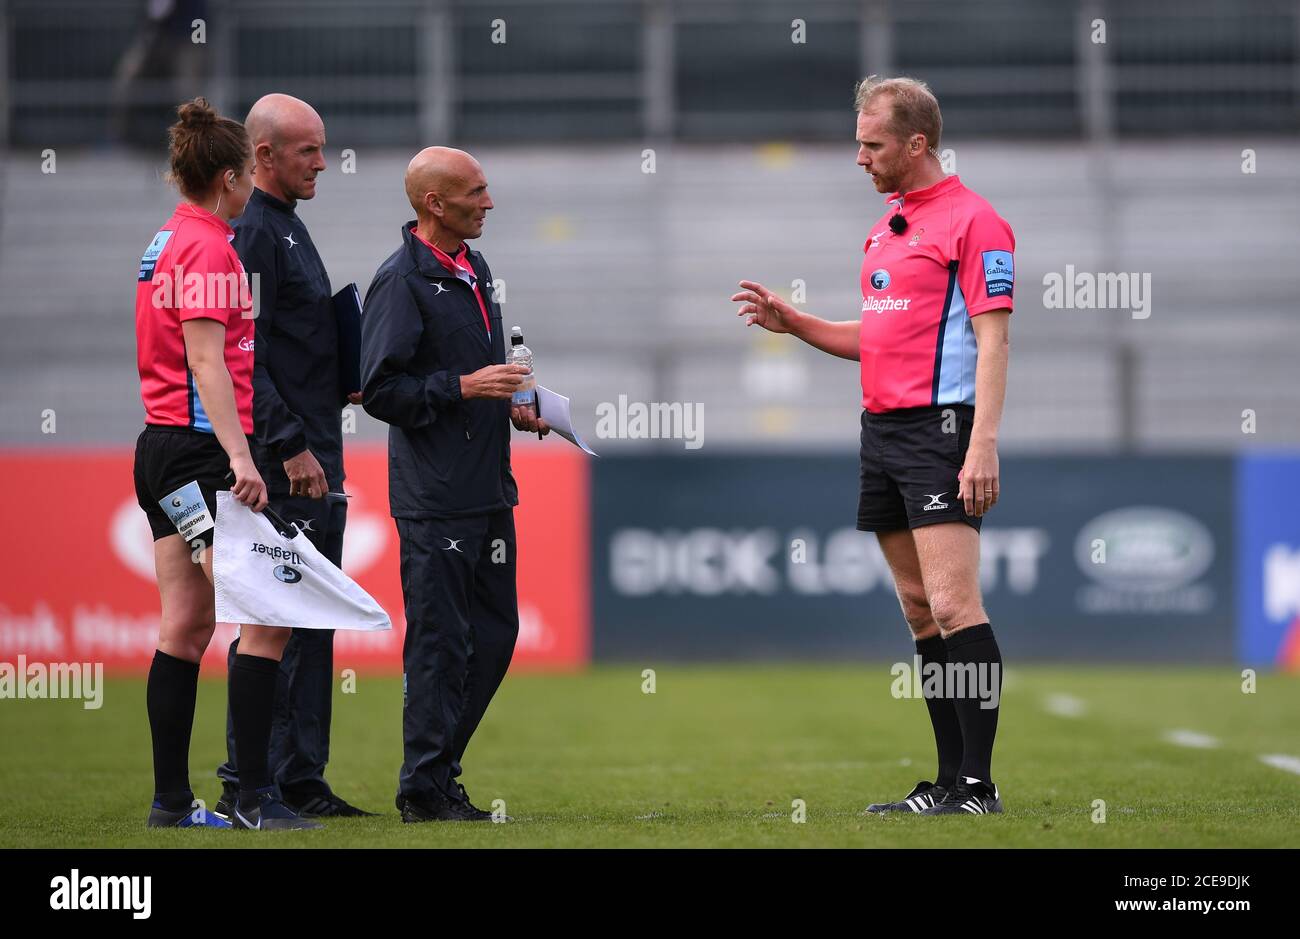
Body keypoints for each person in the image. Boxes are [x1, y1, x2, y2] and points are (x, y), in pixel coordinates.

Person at [732, 76, 1013, 816]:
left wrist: (981, 442)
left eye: (872, 143)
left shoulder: (974, 221)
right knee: (921, 611)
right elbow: (878, 337)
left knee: (956, 604)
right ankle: (949, 781)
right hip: (881, 431)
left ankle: (978, 786)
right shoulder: (889, 223)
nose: (859, 157)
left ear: (916, 144)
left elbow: (993, 342)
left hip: (941, 429)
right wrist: (795, 324)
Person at [132, 97, 320, 830]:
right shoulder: (213, 247)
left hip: (159, 447)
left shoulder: (163, 240)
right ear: (233, 177)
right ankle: (251, 798)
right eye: (246, 178)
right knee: (268, 613)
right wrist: (243, 457)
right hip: (202, 452)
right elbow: (206, 358)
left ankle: (171, 805)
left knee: (184, 624)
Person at [360, 147, 548, 823]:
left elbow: (480, 375)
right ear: (434, 204)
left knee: (495, 637)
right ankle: (424, 789)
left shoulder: (474, 266)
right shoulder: (400, 281)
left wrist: (514, 405)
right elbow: (378, 389)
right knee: (438, 642)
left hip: (489, 489)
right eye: (475, 192)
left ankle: (438, 772)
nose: (488, 202)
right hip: (436, 499)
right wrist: (465, 386)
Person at [210, 93, 372, 821]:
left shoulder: (289, 230)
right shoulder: (254, 234)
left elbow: (292, 344)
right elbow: (243, 355)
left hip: (317, 454)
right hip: (285, 465)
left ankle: (300, 777)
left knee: (305, 622)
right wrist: (289, 443)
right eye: (308, 150)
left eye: (324, 146)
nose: (322, 162)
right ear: (264, 155)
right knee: (275, 620)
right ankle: (256, 780)